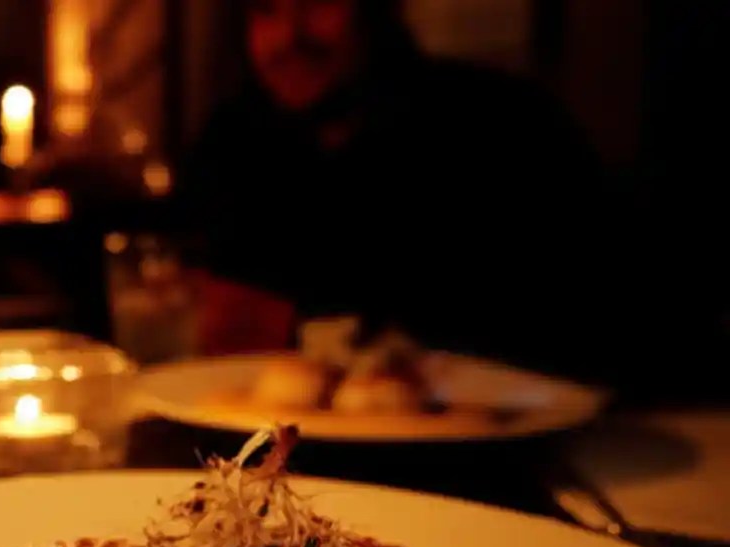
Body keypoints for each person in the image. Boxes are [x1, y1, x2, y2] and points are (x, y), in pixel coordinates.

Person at [180, 0, 604, 365]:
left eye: (319, 3)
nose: (288, 37)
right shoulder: (232, 142)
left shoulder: (501, 129)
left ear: (377, 11)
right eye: (265, 10)